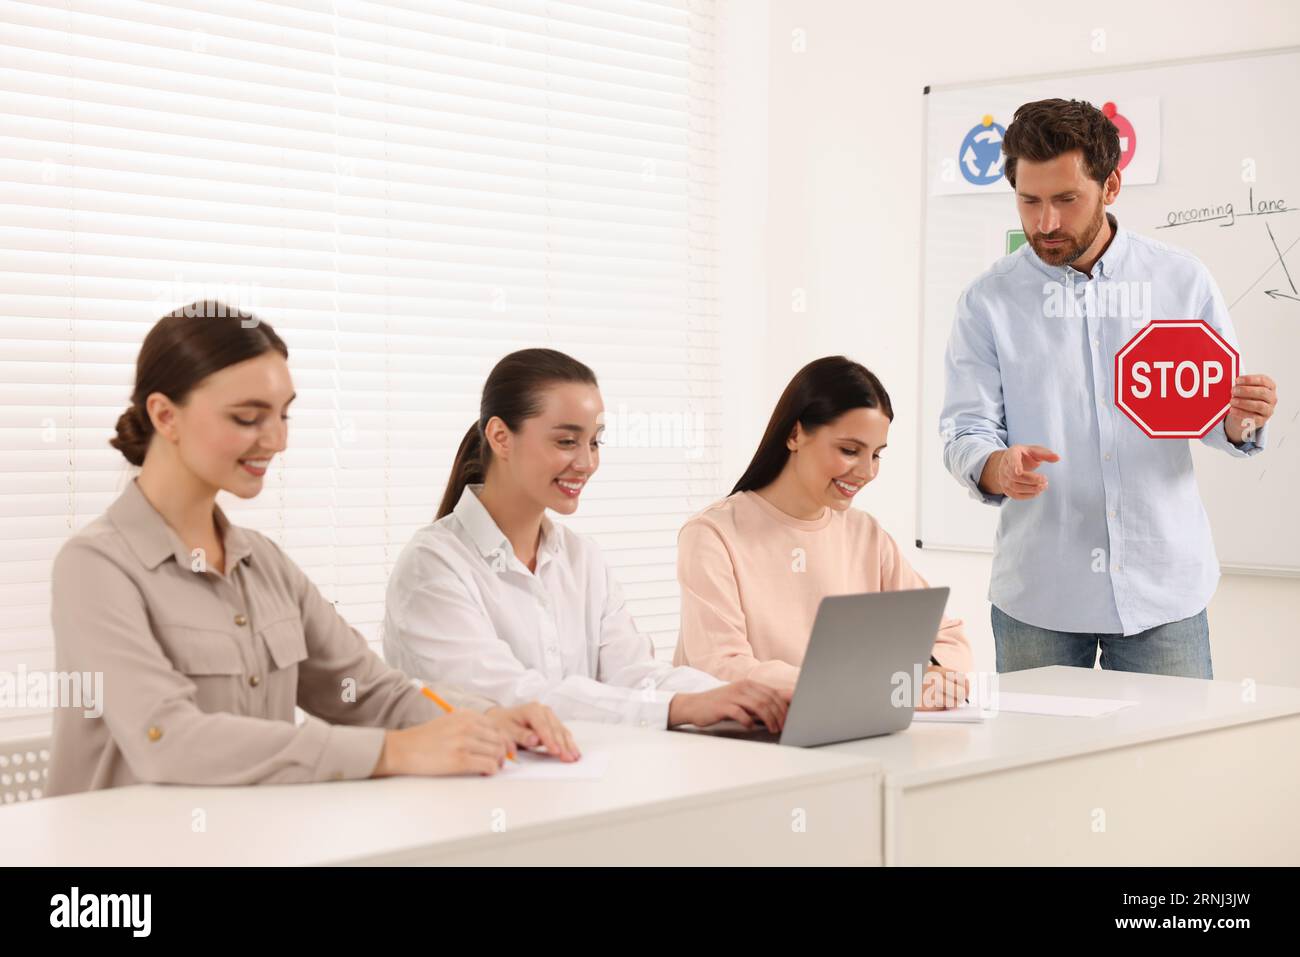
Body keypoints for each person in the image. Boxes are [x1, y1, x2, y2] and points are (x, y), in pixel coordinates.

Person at [48, 303, 573, 796]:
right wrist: (391, 752)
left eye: (284, 416)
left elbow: (367, 691)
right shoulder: (95, 567)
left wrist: (480, 721)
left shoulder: (264, 564)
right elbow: (168, 740)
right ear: (165, 416)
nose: (276, 441)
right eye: (248, 417)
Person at [940, 98, 1278, 677]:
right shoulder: (987, 301)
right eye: (1030, 200)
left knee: (1171, 766)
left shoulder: (1181, 280)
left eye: (1066, 200)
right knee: (1039, 768)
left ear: (1112, 185)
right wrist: (997, 466)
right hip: (1039, 597)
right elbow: (964, 430)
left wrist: (1240, 419)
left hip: (1163, 594)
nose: (1045, 223)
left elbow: (1216, 416)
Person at [383, 348, 789, 733]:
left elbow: (633, 675)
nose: (587, 462)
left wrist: (736, 697)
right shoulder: (432, 566)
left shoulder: (582, 558)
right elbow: (509, 697)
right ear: (501, 437)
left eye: (595, 441)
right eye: (566, 441)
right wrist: (678, 707)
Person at [674, 356, 972, 710]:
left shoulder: (865, 535)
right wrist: (871, 686)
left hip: (847, 733)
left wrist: (933, 676)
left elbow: (946, 637)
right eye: (849, 451)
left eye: (876, 455)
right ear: (795, 434)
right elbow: (722, 667)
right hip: (748, 743)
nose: (866, 471)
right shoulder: (712, 535)